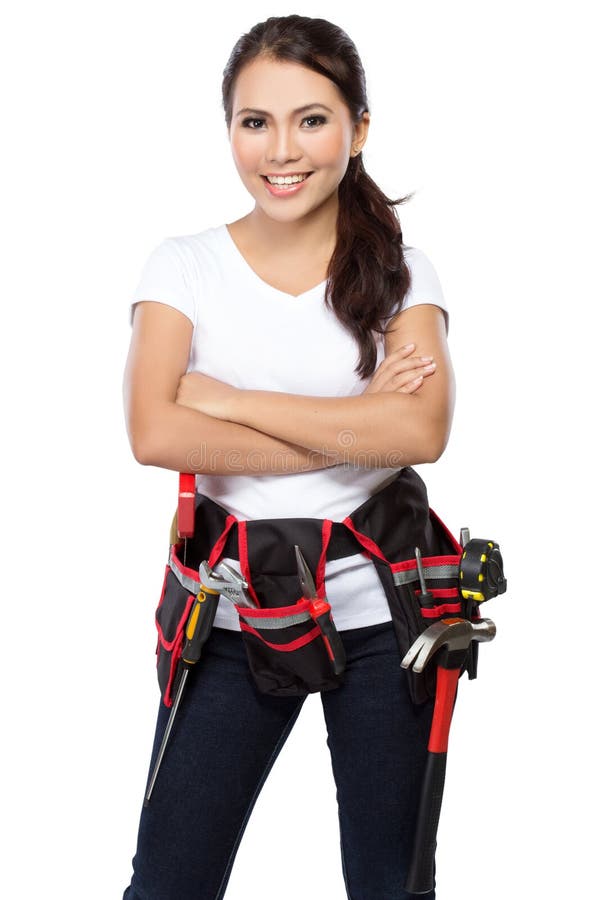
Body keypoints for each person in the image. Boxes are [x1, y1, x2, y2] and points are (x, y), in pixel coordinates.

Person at [121, 14, 454, 900]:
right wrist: (356, 420)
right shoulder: (183, 267)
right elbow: (155, 434)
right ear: (229, 128)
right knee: (167, 884)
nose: (282, 149)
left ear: (358, 130)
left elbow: (418, 435)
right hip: (230, 620)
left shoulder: (402, 272)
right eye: (254, 121)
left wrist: (225, 402)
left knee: (392, 886)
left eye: (312, 118)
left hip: (387, 618)